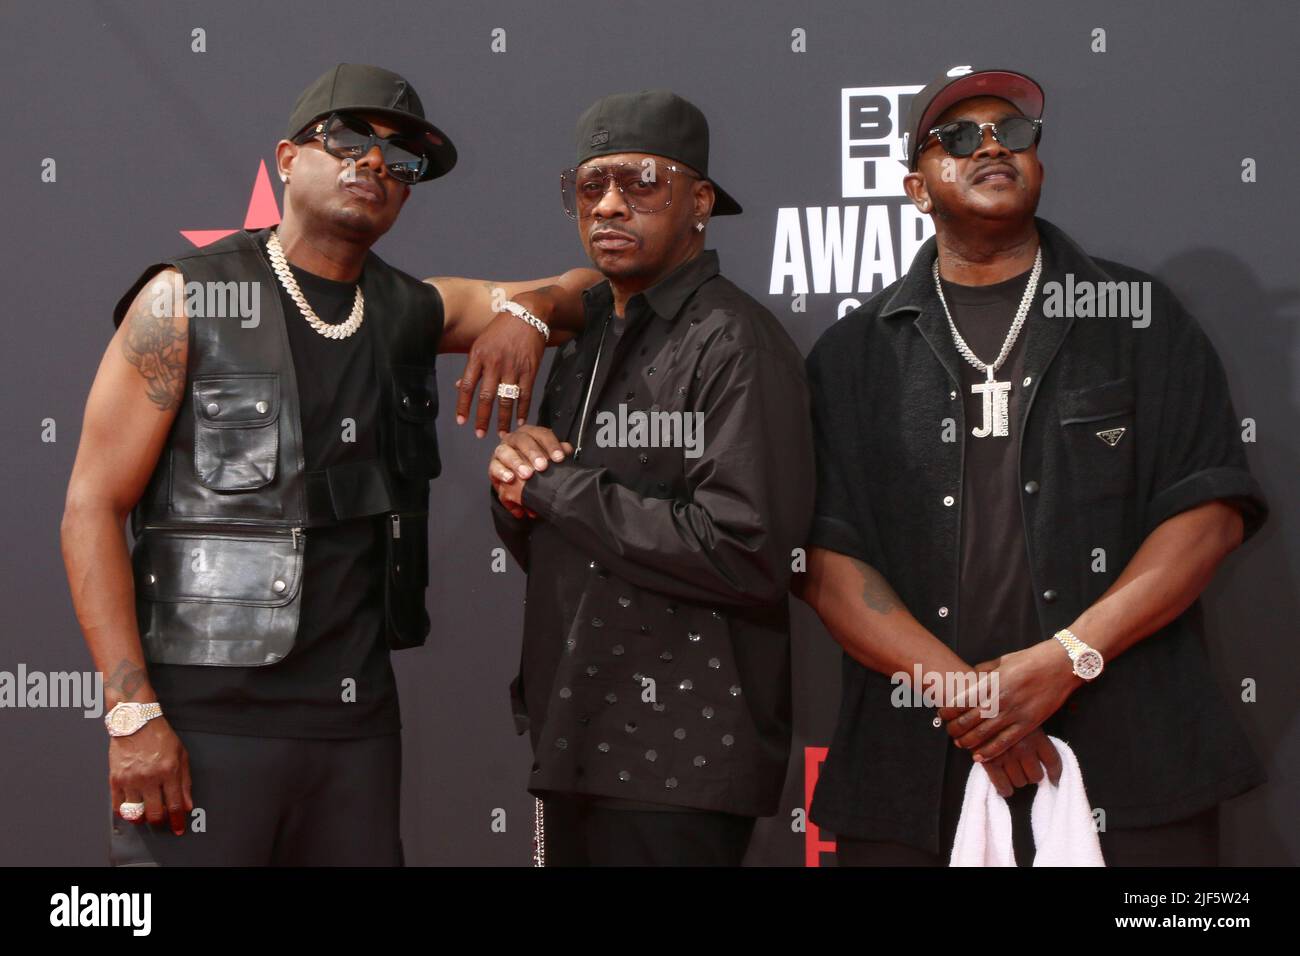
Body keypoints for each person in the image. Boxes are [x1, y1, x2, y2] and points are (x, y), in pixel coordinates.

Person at [60, 63, 598, 866]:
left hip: (354, 727)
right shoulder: (186, 298)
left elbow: (589, 287)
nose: (376, 163)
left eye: (401, 159)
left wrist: (526, 311)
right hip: (204, 720)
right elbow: (91, 508)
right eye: (350, 138)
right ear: (286, 156)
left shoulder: (410, 309)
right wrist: (133, 714)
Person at [795, 67, 1268, 866]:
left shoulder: (1140, 320)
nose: (991, 144)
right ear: (917, 187)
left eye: (1011, 132)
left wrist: (1066, 660)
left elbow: (1208, 514)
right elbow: (825, 557)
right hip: (915, 774)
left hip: (1133, 759)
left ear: (1038, 164)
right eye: (958, 136)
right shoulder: (854, 355)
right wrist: (968, 696)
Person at [488, 90, 815, 866]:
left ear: (699, 202)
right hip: (577, 731)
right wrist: (517, 485)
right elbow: (564, 534)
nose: (609, 204)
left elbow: (747, 550)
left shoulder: (736, 342)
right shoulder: (591, 335)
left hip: (679, 757)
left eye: (640, 182)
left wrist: (553, 487)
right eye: (590, 185)